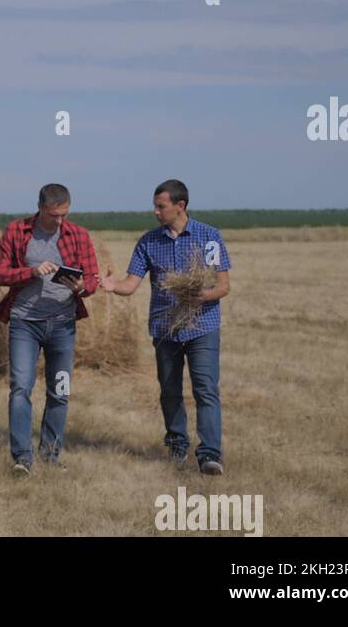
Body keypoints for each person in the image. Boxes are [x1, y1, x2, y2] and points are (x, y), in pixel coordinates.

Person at [99, 179, 231, 475]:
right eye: (155, 206)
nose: (155, 212)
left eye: (161, 206)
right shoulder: (149, 241)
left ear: (179, 206)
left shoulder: (209, 237)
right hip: (164, 329)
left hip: (202, 326)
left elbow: (223, 286)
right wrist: (111, 285)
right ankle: (177, 447)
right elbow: (130, 284)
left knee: (205, 389)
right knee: (169, 390)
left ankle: (210, 455)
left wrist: (201, 296)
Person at [0, 183, 99, 475]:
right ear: (40, 209)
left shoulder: (78, 235)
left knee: (60, 392)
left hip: (63, 325)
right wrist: (31, 272)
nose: (60, 221)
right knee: (20, 388)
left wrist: (82, 287)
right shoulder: (16, 231)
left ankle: (50, 455)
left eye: (64, 214)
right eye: (54, 216)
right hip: (25, 323)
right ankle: (22, 458)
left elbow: (92, 278)